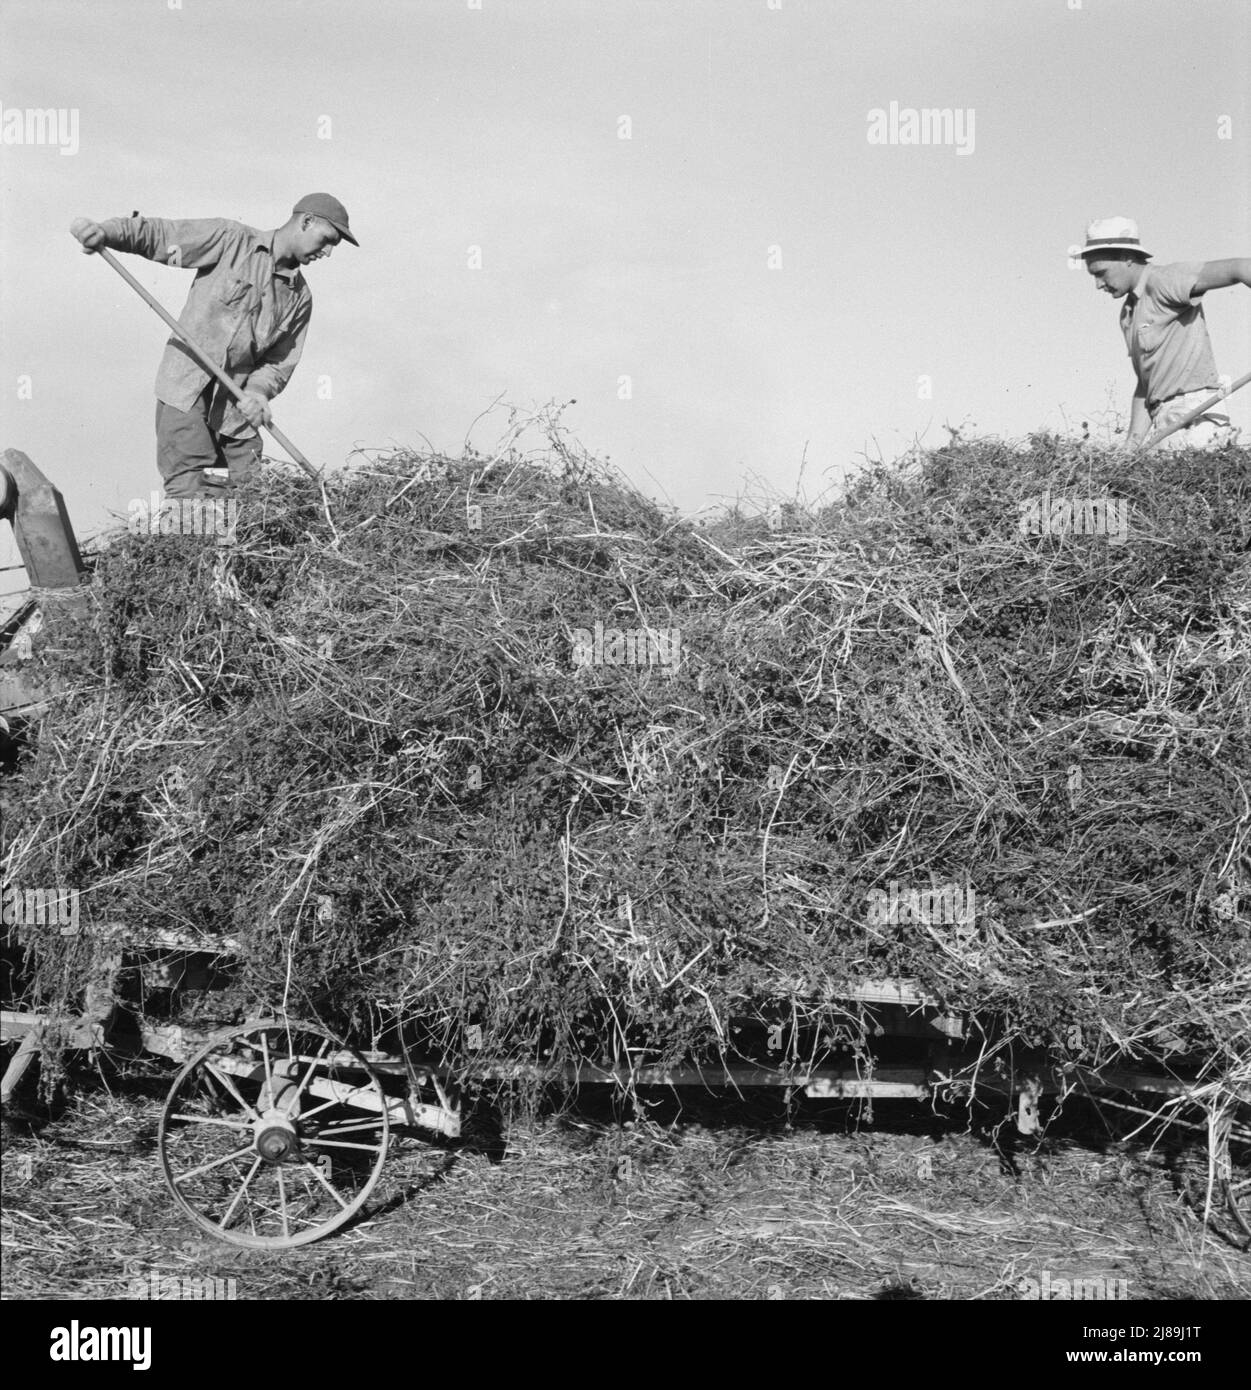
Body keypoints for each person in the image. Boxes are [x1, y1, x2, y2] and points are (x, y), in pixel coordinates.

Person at [70, 194, 358, 498]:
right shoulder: (232, 241)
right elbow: (164, 236)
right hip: (187, 392)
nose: (327, 253)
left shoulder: (300, 298)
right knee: (195, 493)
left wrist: (258, 393)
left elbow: (280, 360)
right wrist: (107, 232)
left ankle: (228, 541)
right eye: (327, 240)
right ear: (307, 221)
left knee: (252, 501)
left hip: (237, 414)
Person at [1077, 217, 1249, 449]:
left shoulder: (1164, 280)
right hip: (1164, 422)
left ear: (1127, 258)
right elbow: (1146, 387)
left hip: (1196, 417)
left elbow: (1241, 268)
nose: (1098, 284)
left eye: (1101, 273)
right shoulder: (1128, 314)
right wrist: (1131, 446)